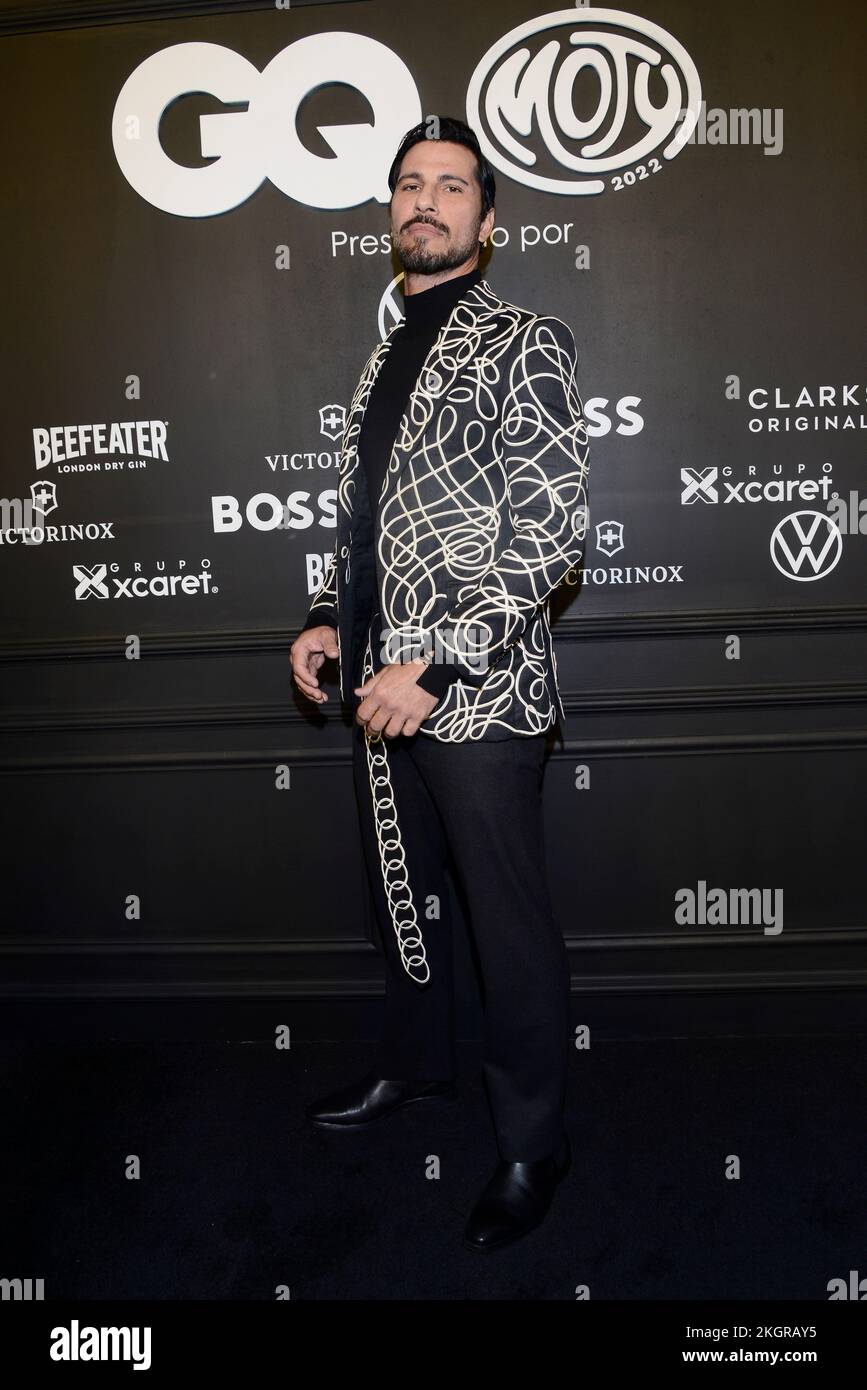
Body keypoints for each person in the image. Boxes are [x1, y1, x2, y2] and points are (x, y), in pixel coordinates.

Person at [289, 116, 590, 1252]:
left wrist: (444, 656)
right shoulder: (382, 351)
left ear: (488, 220)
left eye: (450, 186)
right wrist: (327, 614)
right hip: (377, 689)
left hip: (480, 692)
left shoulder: (527, 340)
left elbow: (554, 530)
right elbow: (362, 524)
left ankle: (533, 1141)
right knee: (406, 910)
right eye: (409, 185)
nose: (426, 201)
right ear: (390, 214)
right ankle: (416, 1070)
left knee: (505, 927)